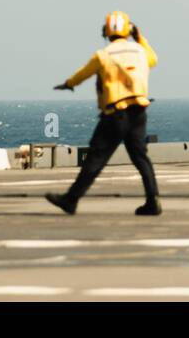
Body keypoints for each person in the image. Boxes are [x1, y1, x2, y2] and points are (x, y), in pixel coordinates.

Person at [46, 11, 162, 217]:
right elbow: (154, 59)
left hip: (115, 115)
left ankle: (70, 200)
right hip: (139, 112)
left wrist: (68, 84)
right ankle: (153, 201)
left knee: (95, 158)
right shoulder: (141, 52)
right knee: (141, 158)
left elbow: (84, 73)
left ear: (105, 32)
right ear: (129, 30)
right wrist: (140, 37)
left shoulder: (104, 55)